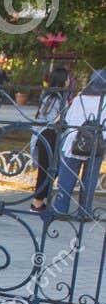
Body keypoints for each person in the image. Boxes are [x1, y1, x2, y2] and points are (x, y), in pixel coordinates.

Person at [52, 69, 106, 221]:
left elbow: (69, 120)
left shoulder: (79, 99)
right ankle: (85, 212)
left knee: (67, 177)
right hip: (96, 145)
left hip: (74, 142)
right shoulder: (105, 101)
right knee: (90, 179)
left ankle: (60, 209)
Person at [30, 68, 67, 213]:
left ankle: (40, 199)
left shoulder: (57, 96)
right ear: (62, 80)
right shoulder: (53, 98)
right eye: (67, 78)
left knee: (53, 169)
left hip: (52, 136)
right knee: (46, 170)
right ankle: (37, 202)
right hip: (48, 136)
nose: (69, 81)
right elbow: (52, 120)